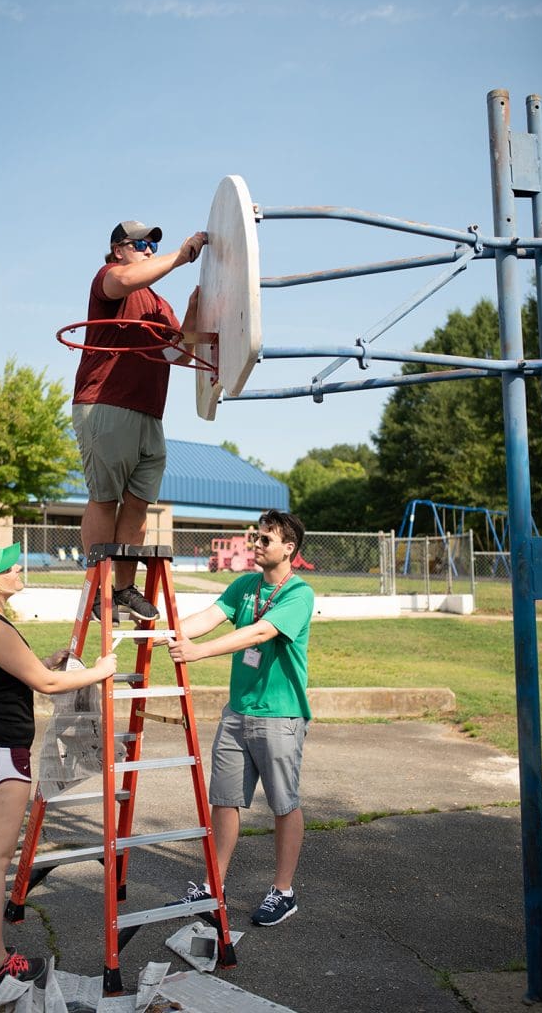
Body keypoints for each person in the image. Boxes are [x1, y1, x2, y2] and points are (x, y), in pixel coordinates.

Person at [0, 543, 117, 989]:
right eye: (9, 566)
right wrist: (102, 670)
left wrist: (43, 661)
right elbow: (46, 685)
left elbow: (13, 673)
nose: (18, 567)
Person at [166, 509, 314, 926]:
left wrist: (198, 652)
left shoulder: (299, 593)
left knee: (283, 804)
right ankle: (213, 885)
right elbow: (208, 618)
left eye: (266, 539)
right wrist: (164, 630)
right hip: (237, 713)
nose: (257, 544)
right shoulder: (244, 586)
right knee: (224, 799)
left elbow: (260, 632)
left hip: (280, 716)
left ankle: (283, 891)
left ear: (289, 548)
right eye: (257, 537)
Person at [72, 219, 207, 624]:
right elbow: (127, 279)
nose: (148, 249)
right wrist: (180, 256)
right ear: (118, 250)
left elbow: (176, 354)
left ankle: (123, 588)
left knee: (137, 504)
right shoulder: (110, 278)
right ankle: (98, 590)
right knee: (105, 498)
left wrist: (193, 313)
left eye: (153, 245)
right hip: (106, 402)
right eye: (140, 243)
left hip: (150, 412)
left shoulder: (158, 304)